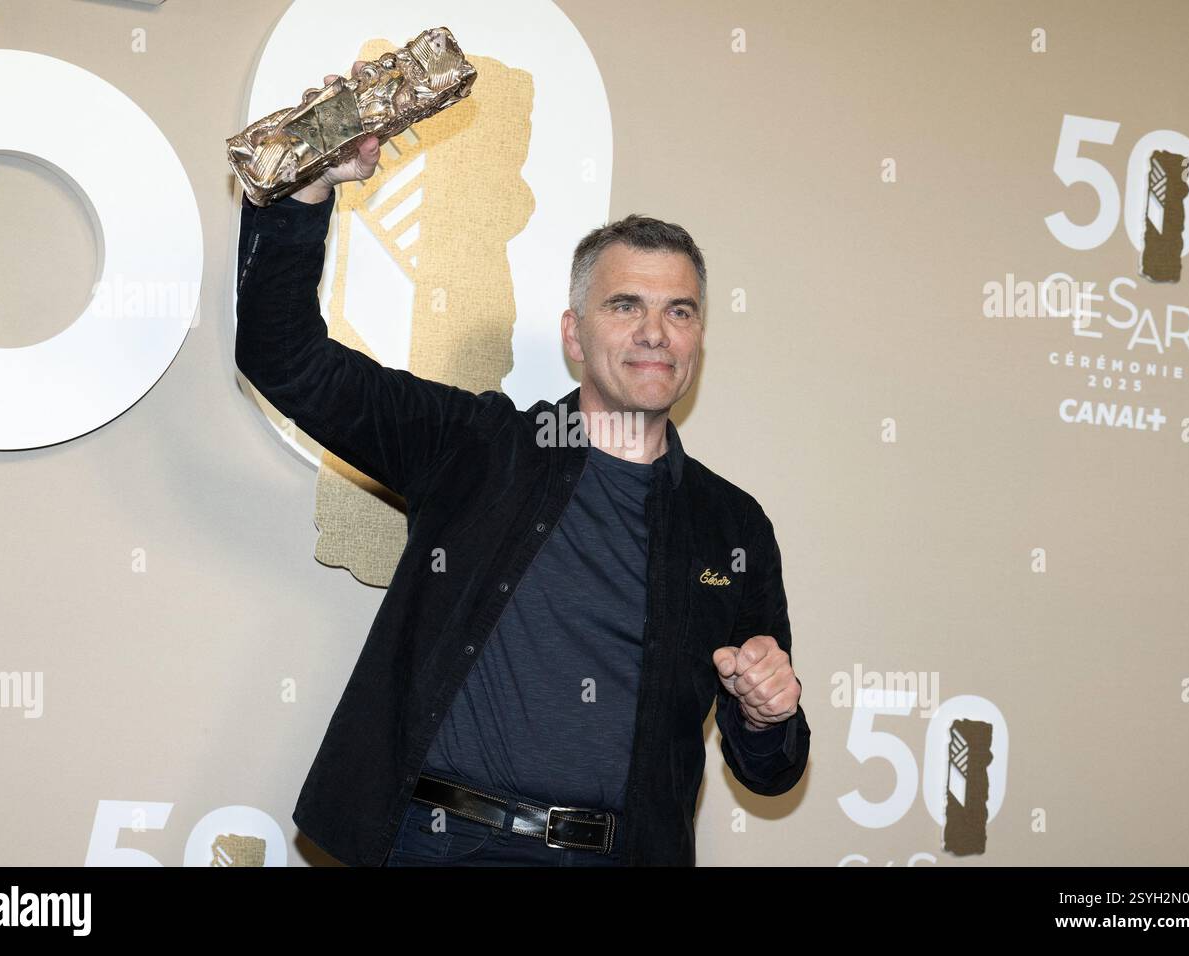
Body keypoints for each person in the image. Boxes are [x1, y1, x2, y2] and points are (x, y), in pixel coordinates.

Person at [234, 60, 810, 867]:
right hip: (428, 845)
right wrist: (306, 189)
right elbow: (284, 357)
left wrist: (769, 715)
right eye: (626, 306)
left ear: (697, 340)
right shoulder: (475, 447)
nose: (655, 332)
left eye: (679, 312)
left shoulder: (732, 525)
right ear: (575, 337)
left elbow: (773, 769)